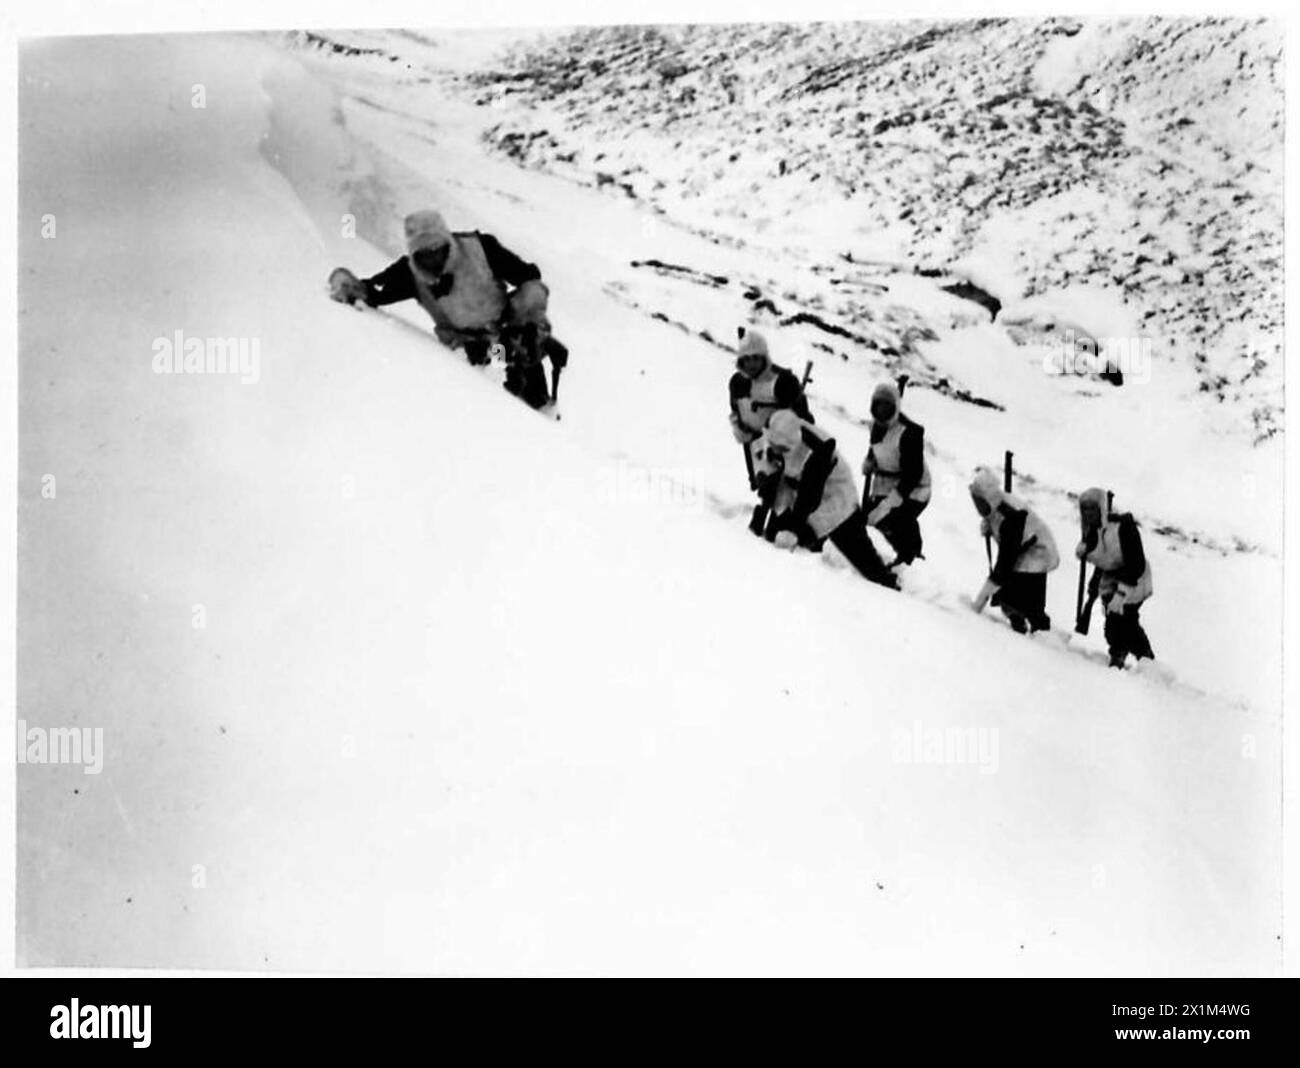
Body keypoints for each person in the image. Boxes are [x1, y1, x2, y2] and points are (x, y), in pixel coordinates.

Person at [329, 209, 566, 409]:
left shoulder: (481, 248)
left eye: (438, 249)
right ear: (414, 254)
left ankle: (538, 409)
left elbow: (529, 276)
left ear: (447, 241)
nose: (433, 259)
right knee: (501, 389)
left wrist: (534, 326)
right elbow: (373, 291)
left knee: (525, 374)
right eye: (424, 255)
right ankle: (518, 410)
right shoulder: (408, 274)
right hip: (468, 346)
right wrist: (345, 283)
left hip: (506, 334)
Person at [757, 410, 896, 589]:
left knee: (862, 557)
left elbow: (809, 498)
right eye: (774, 446)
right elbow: (775, 469)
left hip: (836, 498)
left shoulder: (818, 451)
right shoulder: (778, 430)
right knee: (772, 537)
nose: (776, 451)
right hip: (799, 489)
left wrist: (794, 531)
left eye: (781, 449)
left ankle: (890, 587)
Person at [727, 328, 812, 537]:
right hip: (757, 451)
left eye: (756, 358)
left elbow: (805, 421)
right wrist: (740, 429)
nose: (751, 364)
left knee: (783, 504)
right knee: (768, 492)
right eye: (746, 359)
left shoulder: (783, 382)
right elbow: (738, 415)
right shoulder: (738, 384)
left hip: (786, 451)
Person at [968, 466, 1060, 633]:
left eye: (981, 502)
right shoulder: (998, 505)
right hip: (1026, 551)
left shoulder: (1010, 517)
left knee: (1019, 596)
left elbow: (1005, 560)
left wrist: (983, 596)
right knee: (1013, 595)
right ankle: (1026, 625)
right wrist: (989, 523)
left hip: (1038, 552)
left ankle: (1040, 636)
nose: (978, 506)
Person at [1076, 488, 1155, 668]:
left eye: (1092, 508)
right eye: (1084, 509)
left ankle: (1143, 659)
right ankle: (1125, 654)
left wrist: (1121, 594)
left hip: (1135, 580)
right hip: (1111, 580)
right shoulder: (1092, 532)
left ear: (1101, 508)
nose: (1088, 513)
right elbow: (1102, 560)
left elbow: (1135, 565)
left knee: (1125, 621)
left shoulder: (1123, 527)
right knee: (1116, 623)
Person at [862, 381, 931, 565]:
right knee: (868, 519)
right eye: (878, 405)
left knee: (894, 520)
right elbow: (877, 447)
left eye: (887, 406)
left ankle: (909, 559)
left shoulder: (909, 433)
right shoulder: (876, 427)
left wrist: (895, 499)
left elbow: (914, 473)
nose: (881, 411)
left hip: (914, 489)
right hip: (885, 485)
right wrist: (870, 461)